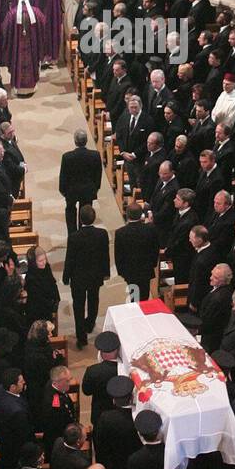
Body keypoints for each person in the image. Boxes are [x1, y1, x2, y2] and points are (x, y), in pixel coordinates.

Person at [62, 203, 110, 348]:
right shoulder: (102, 234)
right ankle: (90, 323)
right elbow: (105, 256)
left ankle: (81, 337)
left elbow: (69, 258)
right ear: (94, 218)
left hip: (79, 277)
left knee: (78, 305)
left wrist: (66, 277)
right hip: (95, 275)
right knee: (94, 299)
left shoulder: (74, 237)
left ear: (80, 219)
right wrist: (106, 273)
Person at [113, 201, 161, 305]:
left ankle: (136, 313)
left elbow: (118, 255)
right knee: (145, 296)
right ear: (141, 215)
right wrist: (152, 264)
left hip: (130, 271)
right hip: (146, 269)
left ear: (127, 214)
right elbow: (155, 249)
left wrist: (121, 271)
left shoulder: (121, 233)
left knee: (134, 296)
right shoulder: (150, 229)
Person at [58, 129, 102, 235]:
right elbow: (98, 175)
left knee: (70, 210)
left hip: (71, 191)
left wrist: (63, 191)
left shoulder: (67, 157)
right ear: (86, 141)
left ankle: (72, 234)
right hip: (88, 190)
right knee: (86, 212)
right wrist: (95, 188)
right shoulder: (95, 155)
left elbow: (63, 177)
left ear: (75, 141)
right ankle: (84, 233)